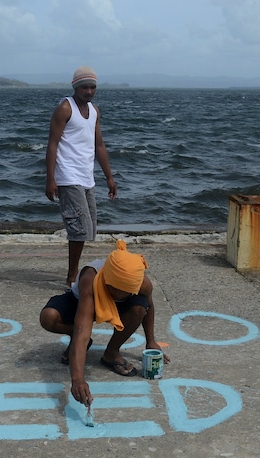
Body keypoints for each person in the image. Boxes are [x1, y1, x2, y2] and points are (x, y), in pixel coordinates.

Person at [39, 239, 169, 407]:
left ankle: (111, 352)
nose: (119, 296)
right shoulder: (90, 282)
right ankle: (74, 343)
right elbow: (82, 334)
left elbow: (149, 307)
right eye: (115, 290)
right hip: (81, 302)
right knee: (49, 317)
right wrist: (78, 379)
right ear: (107, 279)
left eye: (125, 293)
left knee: (139, 308)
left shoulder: (141, 282)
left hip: (120, 309)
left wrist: (151, 341)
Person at [45, 66, 117, 286]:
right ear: (75, 87)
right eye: (84, 87)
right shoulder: (65, 109)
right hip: (68, 176)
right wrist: (51, 179)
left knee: (86, 229)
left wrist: (109, 177)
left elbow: (99, 145)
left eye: (92, 87)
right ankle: (71, 277)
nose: (89, 91)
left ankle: (73, 273)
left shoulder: (94, 110)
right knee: (78, 228)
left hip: (87, 177)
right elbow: (52, 143)